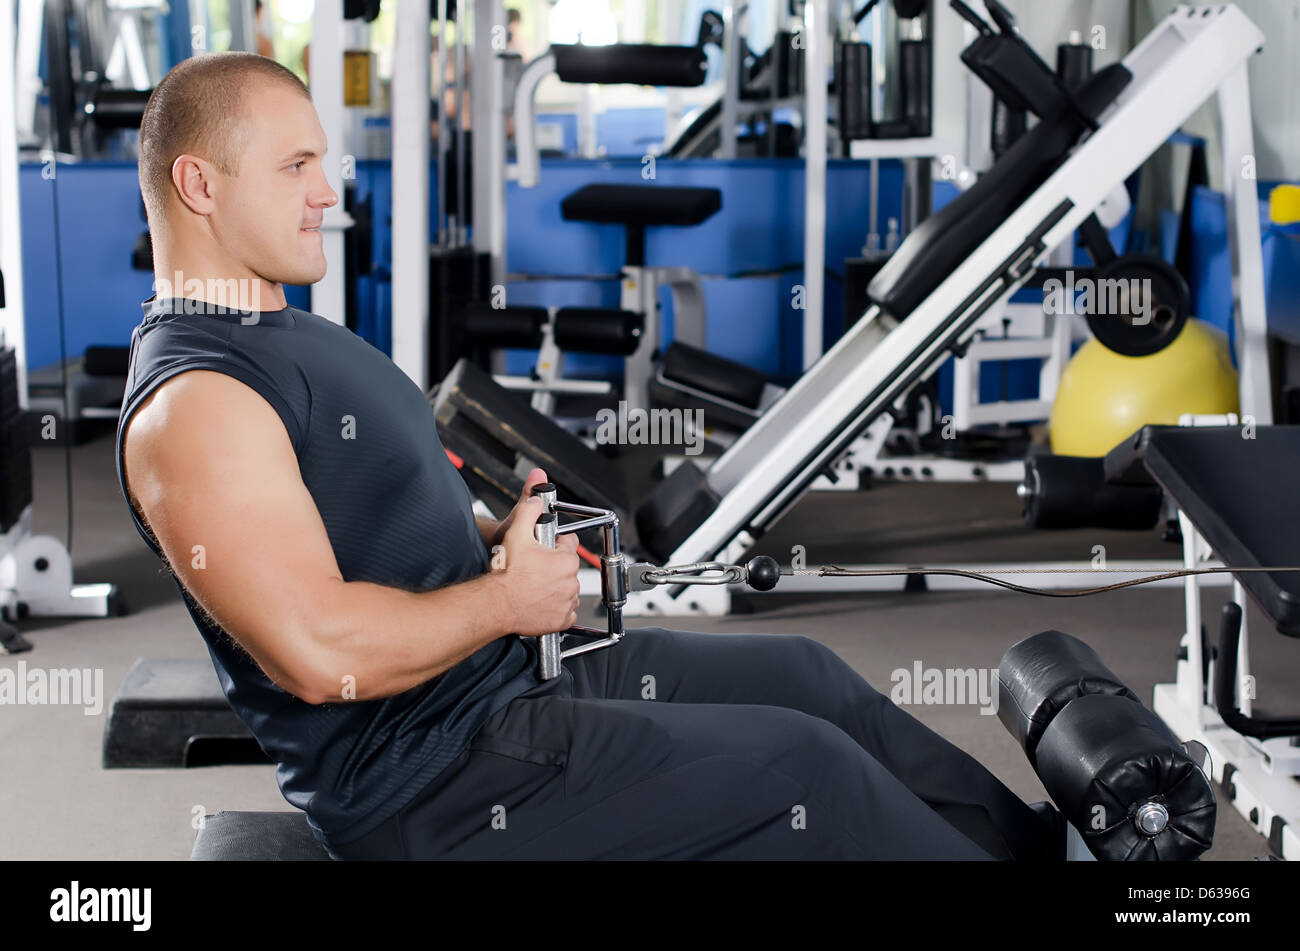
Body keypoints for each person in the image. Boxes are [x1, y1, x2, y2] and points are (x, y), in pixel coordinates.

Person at [118, 51, 1058, 860]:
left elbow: (353, 530)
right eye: (296, 166)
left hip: (504, 677)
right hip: (433, 780)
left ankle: (1041, 851)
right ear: (201, 185)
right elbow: (318, 654)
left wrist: (499, 540)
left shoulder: (283, 328)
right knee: (803, 772)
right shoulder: (194, 406)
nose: (329, 191)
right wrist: (504, 598)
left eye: (322, 161)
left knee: (809, 679)